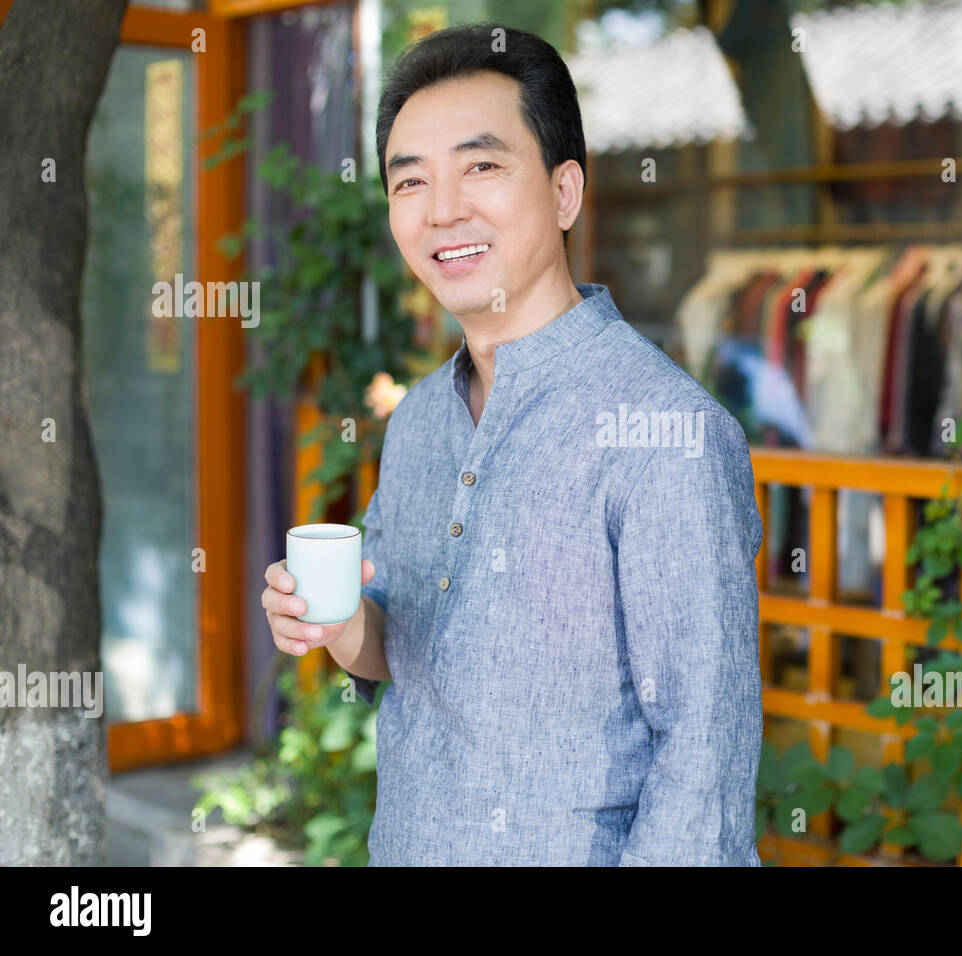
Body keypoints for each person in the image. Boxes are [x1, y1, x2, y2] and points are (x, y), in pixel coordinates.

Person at [260, 23, 764, 866]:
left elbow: (704, 762)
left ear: (565, 193)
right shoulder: (420, 420)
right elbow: (398, 649)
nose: (443, 208)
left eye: (481, 166)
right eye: (409, 181)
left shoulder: (666, 433)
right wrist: (343, 623)